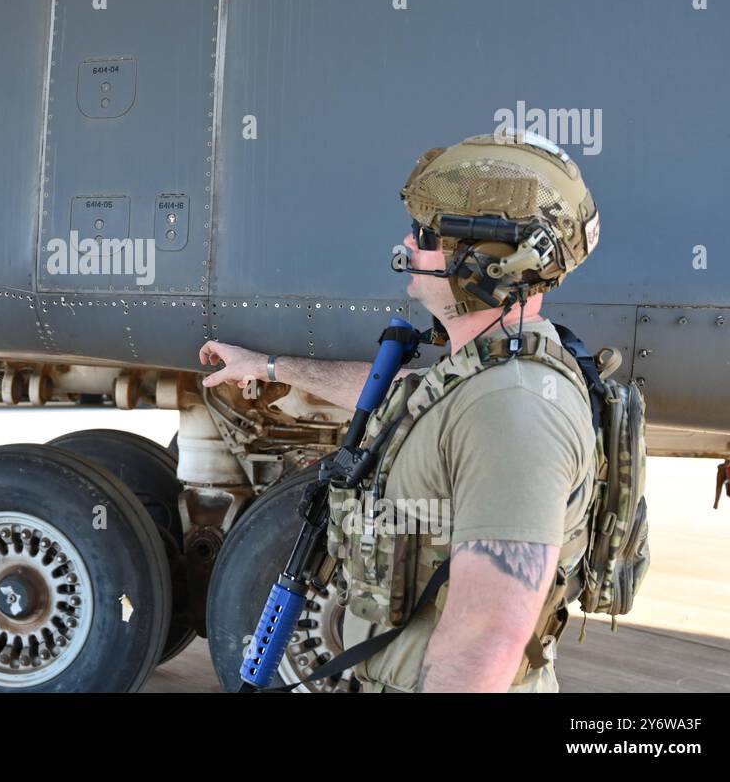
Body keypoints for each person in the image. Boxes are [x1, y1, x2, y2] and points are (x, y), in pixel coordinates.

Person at [200, 130, 602, 692]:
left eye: (426, 233)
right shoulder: (479, 370)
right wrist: (268, 367)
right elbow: (396, 392)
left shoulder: (513, 409)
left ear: (484, 261)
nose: (408, 244)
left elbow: (486, 640)